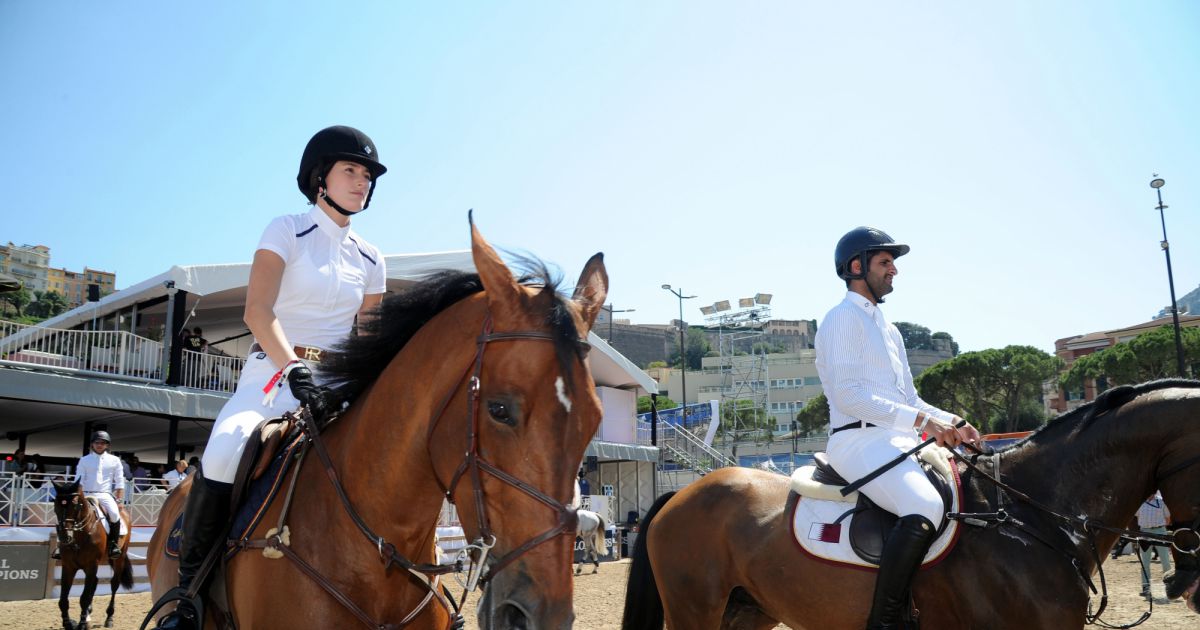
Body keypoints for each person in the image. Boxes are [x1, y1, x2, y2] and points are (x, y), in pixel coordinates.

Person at [154, 125, 388, 630]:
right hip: (273, 377)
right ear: (319, 177)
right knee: (221, 451)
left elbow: (367, 339)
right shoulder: (284, 230)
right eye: (351, 170)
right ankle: (188, 596)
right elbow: (257, 310)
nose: (362, 181)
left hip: (336, 384)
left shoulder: (372, 259)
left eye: (367, 174)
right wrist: (295, 369)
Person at [814, 227, 980, 630]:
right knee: (924, 505)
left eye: (893, 264)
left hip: (896, 438)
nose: (894, 271)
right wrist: (925, 422)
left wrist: (953, 421)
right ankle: (885, 621)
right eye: (885, 263)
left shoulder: (890, 331)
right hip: (856, 439)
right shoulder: (840, 320)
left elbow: (910, 399)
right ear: (857, 267)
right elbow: (850, 397)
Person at [53, 431, 124, 560]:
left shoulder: (115, 460)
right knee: (66, 513)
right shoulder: (84, 460)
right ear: (92, 444)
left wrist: (119, 500)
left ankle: (113, 545)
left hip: (105, 494)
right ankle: (60, 545)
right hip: (85, 494)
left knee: (114, 514)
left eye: (103, 443)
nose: (99, 445)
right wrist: (77, 497)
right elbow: (79, 480)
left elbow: (119, 481)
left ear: (107, 445)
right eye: (97, 443)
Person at [1137, 492, 1172, 597]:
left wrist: (1159, 527)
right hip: (1144, 532)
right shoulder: (1140, 502)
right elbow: (1137, 517)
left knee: (1165, 560)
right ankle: (1146, 586)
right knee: (1145, 562)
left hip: (1160, 532)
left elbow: (1168, 518)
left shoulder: (1161, 501)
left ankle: (1169, 586)